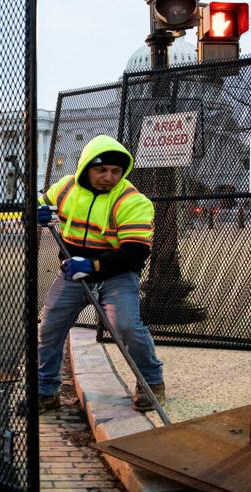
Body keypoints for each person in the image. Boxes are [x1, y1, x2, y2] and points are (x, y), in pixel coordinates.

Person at [37, 135, 164, 411]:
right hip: (72, 271)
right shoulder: (66, 187)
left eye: (116, 171)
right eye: (101, 170)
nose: (109, 177)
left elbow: (136, 251)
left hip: (117, 274)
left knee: (127, 326)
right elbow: (39, 204)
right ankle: (46, 391)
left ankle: (151, 382)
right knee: (49, 327)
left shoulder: (133, 201)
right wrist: (36, 212)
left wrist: (93, 266)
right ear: (86, 168)